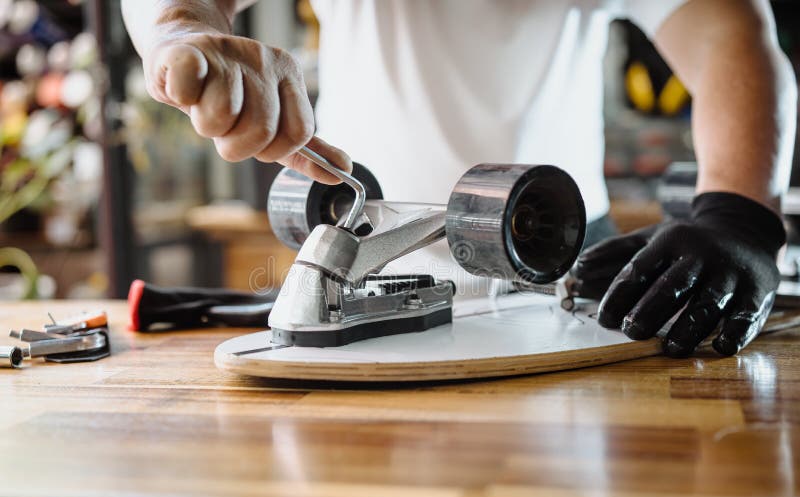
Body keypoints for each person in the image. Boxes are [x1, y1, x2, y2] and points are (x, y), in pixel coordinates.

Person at [122, 0, 797, 356]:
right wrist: (179, 27)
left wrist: (739, 214)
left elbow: (729, 36)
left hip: (566, 277)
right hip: (359, 273)